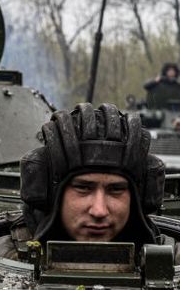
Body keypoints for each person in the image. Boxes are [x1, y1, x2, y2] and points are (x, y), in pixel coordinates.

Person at [17, 103, 166, 246]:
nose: (99, 211)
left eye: (116, 189)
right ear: (51, 193)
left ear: (138, 197)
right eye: (83, 188)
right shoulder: (1, 254)